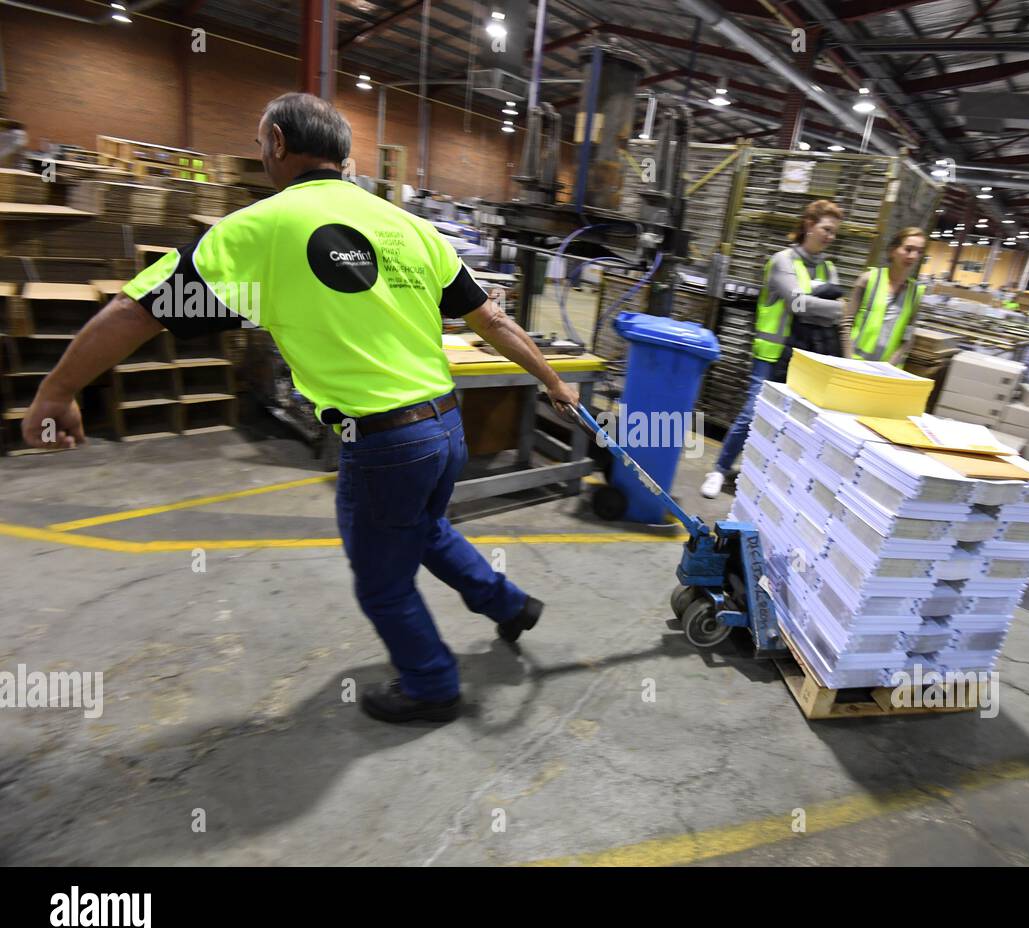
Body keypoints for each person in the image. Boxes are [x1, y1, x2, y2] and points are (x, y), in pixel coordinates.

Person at [21, 92, 580, 724]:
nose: (261, 156)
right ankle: (509, 604)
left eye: (262, 144)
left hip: (386, 442)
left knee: (382, 584)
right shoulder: (410, 228)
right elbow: (495, 318)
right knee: (423, 529)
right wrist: (554, 383)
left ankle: (432, 684)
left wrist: (56, 392)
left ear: (280, 146)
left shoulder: (260, 228)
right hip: (448, 428)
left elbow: (134, 310)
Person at [700, 199, 845, 498]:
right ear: (808, 225)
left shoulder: (829, 268)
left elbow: (836, 310)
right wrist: (827, 306)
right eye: (826, 229)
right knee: (753, 411)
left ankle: (763, 471)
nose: (830, 236)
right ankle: (719, 468)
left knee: (793, 419)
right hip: (772, 352)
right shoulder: (783, 261)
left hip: (806, 355)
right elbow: (797, 303)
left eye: (834, 232)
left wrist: (823, 306)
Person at [844, 226, 928, 365]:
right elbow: (846, 322)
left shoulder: (915, 292)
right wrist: (848, 359)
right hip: (855, 361)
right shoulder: (868, 280)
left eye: (919, 252)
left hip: (886, 369)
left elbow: (907, 337)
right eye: (908, 249)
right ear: (893, 250)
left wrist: (890, 366)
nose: (913, 256)